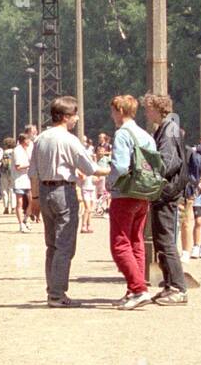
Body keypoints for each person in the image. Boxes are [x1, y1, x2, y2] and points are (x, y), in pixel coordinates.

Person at [29, 97, 102, 306]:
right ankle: (57, 294)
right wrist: (115, 169)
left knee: (51, 245)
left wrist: (34, 199)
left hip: (44, 191)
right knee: (65, 245)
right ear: (65, 117)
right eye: (75, 115)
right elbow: (90, 169)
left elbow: (33, 172)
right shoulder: (69, 140)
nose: (77, 119)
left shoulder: (40, 139)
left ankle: (52, 289)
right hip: (63, 192)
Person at [106, 94, 159, 310]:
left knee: (119, 243)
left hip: (125, 193)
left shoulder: (122, 134)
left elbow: (120, 167)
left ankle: (138, 289)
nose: (111, 115)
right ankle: (134, 288)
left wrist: (109, 182)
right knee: (136, 240)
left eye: (112, 111)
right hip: (143, 193)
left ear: (119, 111)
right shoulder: (146, 135)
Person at [144, 93, 188, 305]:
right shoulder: (165, 129)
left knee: (166, 241)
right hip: (164, 191)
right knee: (162, 241)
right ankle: (170, 284)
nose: (146, 111)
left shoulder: (168, 130)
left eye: (148, 108)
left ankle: (178, 288)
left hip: (166, 191)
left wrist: (148, 169)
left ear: (156, 109)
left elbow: (168, 162)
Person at [11, 132, 33, 232]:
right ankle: (21, 225)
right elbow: (18, 166)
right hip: (19, 180)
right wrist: (30, 165)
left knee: (31, 201)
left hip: (27, 179)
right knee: (19, 203)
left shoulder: (27, 150)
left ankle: (25, 219)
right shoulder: (17, 151)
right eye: (28, 139)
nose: (29, 141)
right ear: (23, 141)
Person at [0, 136, 16, 214]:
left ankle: (6, 208)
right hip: (13, 173)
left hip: (4, 173)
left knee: (4, 190)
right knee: (12, 190)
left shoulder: (2, 152)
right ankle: (13, 208)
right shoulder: (15, 152)